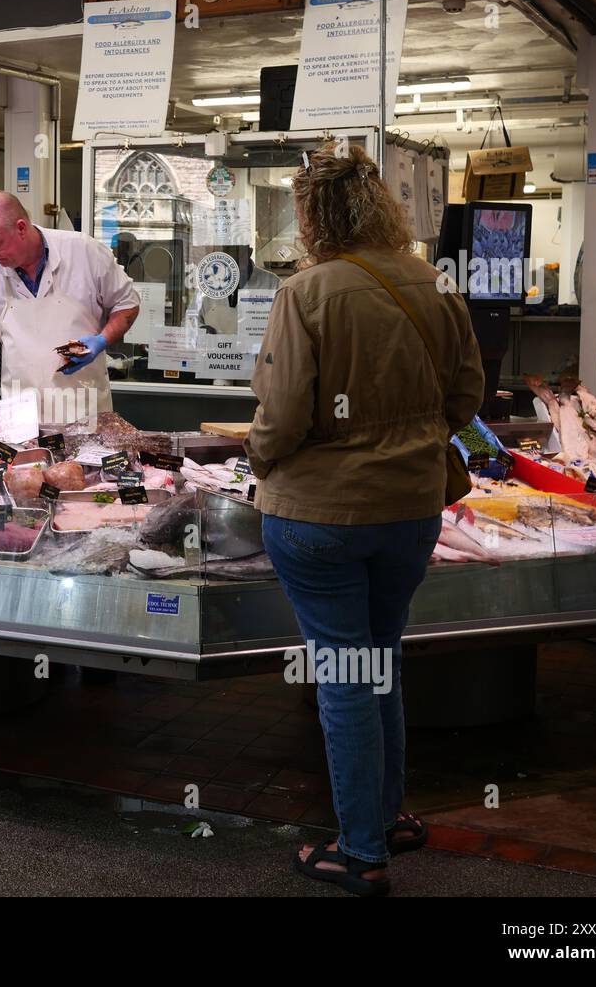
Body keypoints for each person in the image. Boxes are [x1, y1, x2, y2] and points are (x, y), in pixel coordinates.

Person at [244, 142, 484, 896]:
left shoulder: (307, 293)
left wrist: (257, 455)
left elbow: (281, 417)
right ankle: (388, 818)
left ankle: (361, 853)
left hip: (321, 515)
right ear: (381, 205)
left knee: (345, 673)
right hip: (411, 509)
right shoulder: (437, 284)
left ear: (313, 217)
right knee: (381, 659)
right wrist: (410, 439)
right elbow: (469, 394)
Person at [0, 191, 140, 438]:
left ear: (21, 228)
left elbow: (127, 304)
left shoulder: (84, 252)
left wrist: (102, 340)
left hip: (86, 417)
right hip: (20, 425)